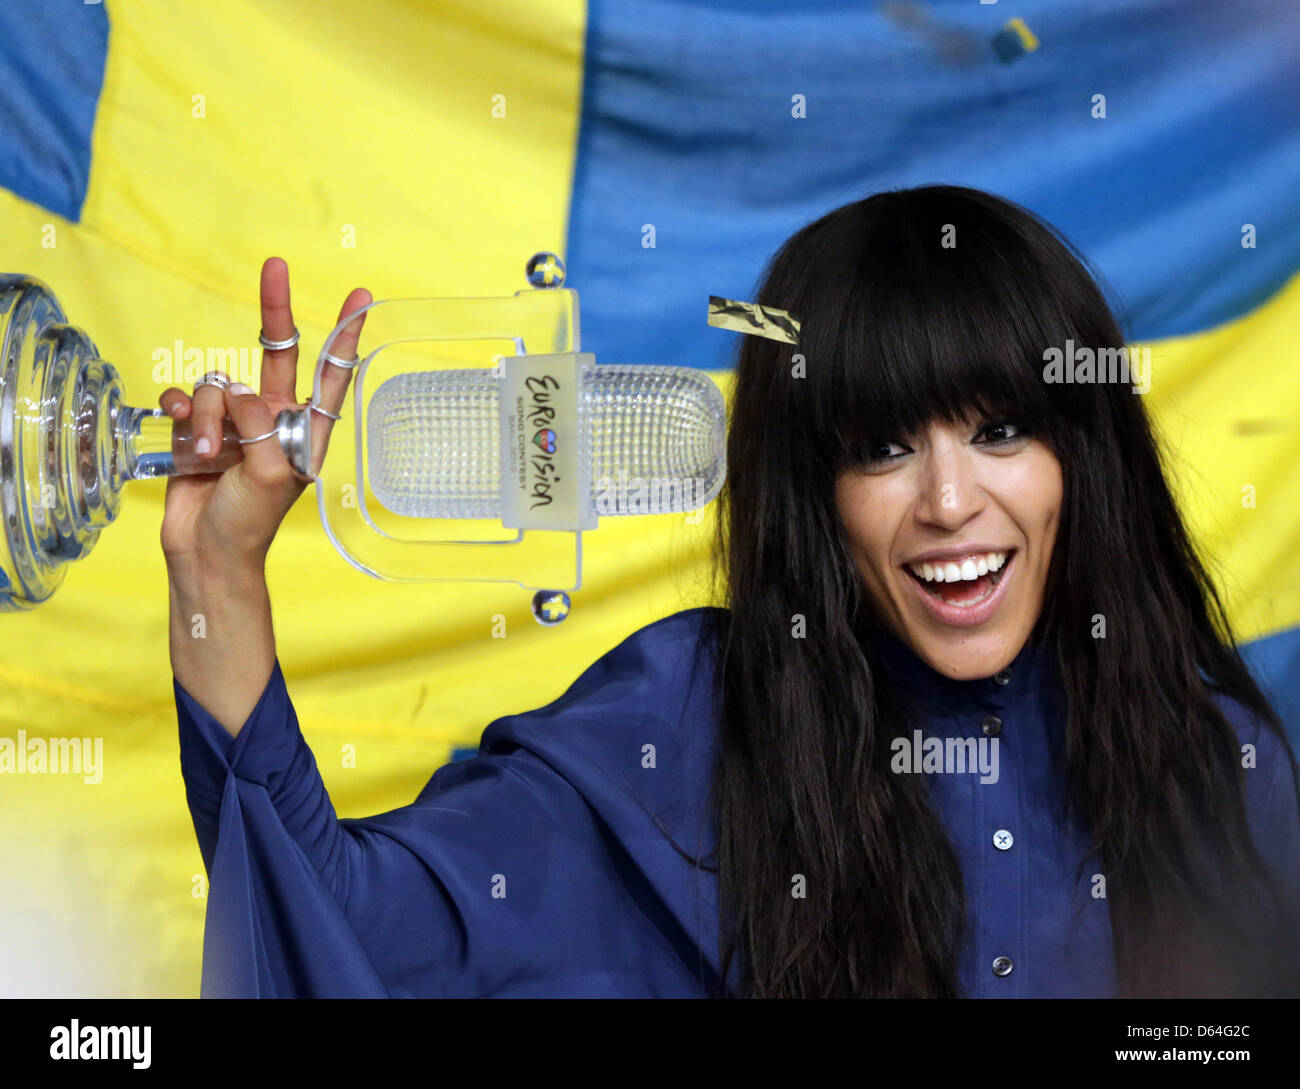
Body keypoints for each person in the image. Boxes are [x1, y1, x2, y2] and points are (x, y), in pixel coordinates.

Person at [162, 185, 1300, 999]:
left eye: (1000, 432)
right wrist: (218, 578)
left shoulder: (1217, 762)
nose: (950, 502)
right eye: (881, 449)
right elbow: (339, 928)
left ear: (1081, 458)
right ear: (813, 492)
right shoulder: (681, 722)